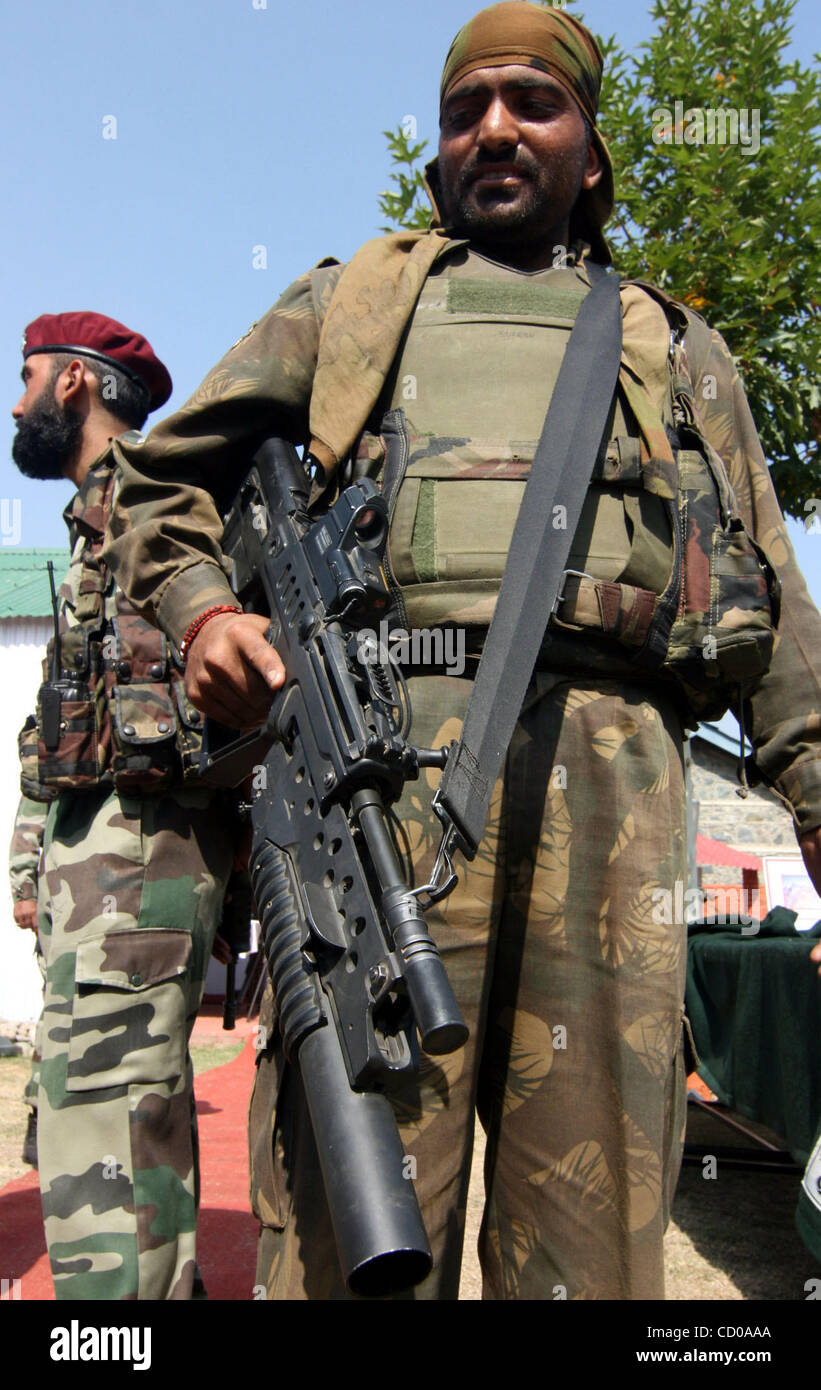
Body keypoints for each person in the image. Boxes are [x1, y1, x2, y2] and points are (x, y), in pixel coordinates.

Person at [103, 3, 821, 1298]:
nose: (492, 128)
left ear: (591, 151)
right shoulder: (352, 304)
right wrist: (208, 610)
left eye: (531, 104)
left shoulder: (674, 345)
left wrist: (815, 791)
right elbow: (164, 483)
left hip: (619, 788)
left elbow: (775, 595)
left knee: (592, 1238)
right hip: (383, 771)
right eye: (463, 108)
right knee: (356, 1220)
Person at [11, 312, 234, 1300]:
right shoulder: (97, 521)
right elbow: (61, 710)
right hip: (95, 850)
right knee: (88, 1104)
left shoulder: (157, 503)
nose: (15, 400)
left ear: (76, 384)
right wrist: (33, 857)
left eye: (27, 376)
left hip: (142, 848)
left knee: (107, 1111)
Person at [8, 794, 49, 1166]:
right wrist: (25, 890)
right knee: (58, 1012)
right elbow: (31, 813)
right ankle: (40, 1115)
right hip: (65, 899)